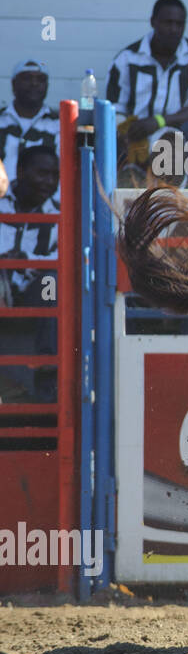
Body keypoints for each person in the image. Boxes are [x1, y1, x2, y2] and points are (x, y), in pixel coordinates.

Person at [107, 0, 188, 165]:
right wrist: (123, 131)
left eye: (179, 24)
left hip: (179, 137)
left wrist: (159, 122)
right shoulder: (127, 58)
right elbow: (114, 108)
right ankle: (115, 186)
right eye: (168, 22)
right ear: (153, 22)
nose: (174, 29)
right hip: (136, 135)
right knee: (106, 133)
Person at [0, 143, 59, 402]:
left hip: (33, 293)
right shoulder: (1, 201)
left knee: (53, 282)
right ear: (20, 171)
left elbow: (60, 258)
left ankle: (47, 377)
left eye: (54, 175)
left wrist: (27, 260)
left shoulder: (59, 213)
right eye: (42, 173)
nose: (49, 181)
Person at [0, 59, 60, 181]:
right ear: (13, 84)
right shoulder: (2, 119)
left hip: (45, 198)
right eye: (27, 78)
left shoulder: (58, 124)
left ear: (47, 86)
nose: (34, 83)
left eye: (41, 79)